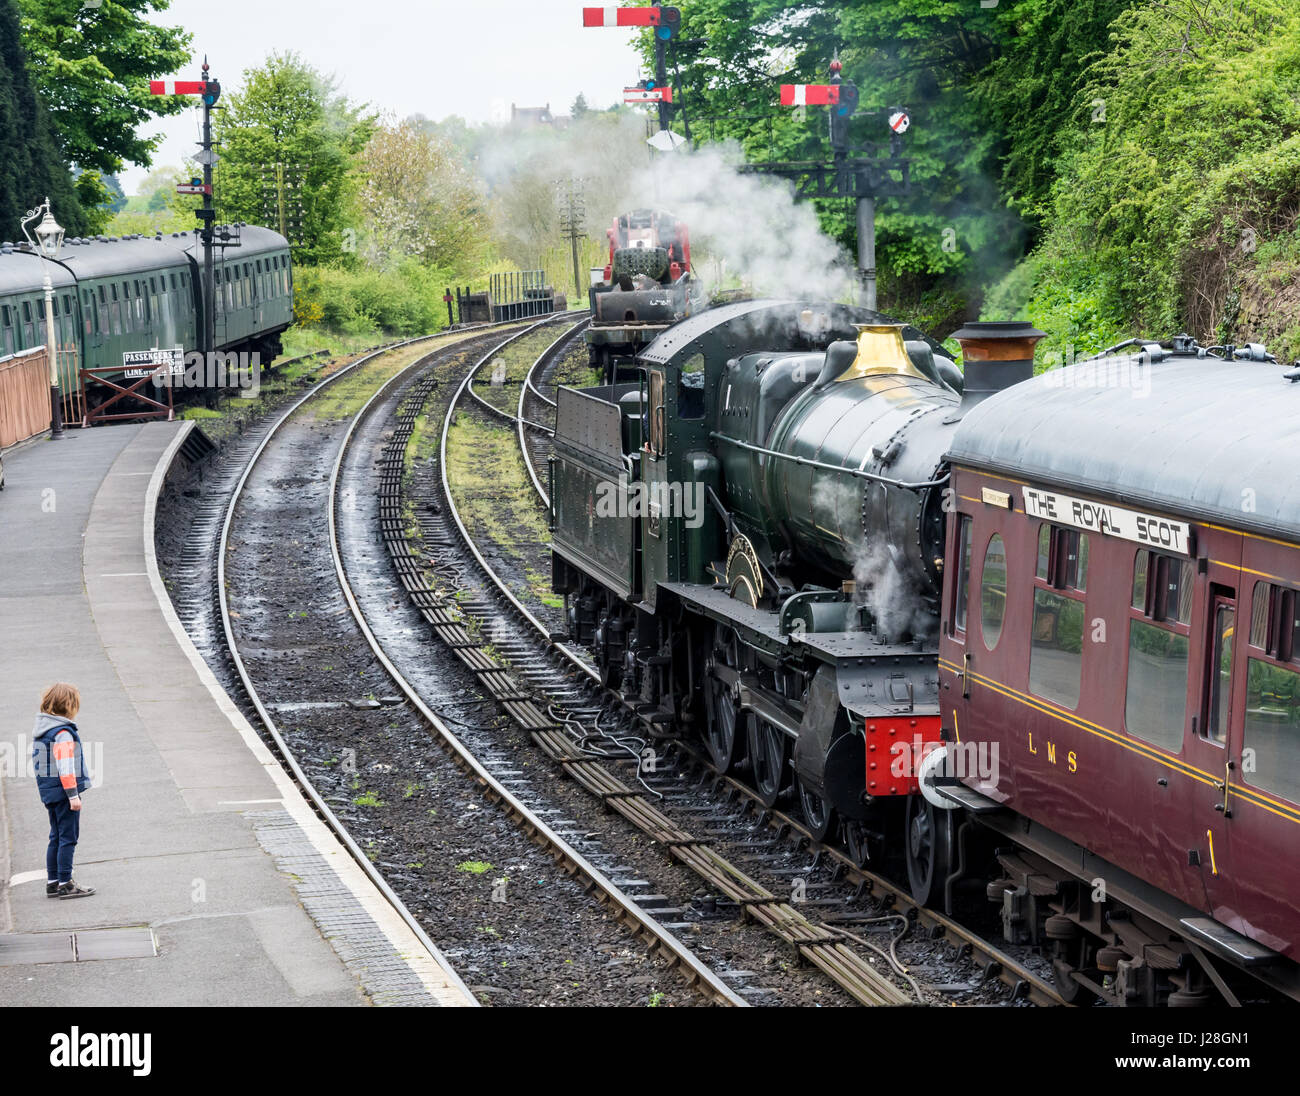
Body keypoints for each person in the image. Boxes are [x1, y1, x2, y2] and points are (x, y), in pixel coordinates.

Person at [32, 683, 94, 899]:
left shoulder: (43, 730)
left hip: (49, 792)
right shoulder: (62, 733)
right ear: (70, 705)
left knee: (56, 836)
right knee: (68, 837)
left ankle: (53, 881)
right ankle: (66, 882)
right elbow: (65, 766)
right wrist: (73, 795)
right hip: (63, 793)